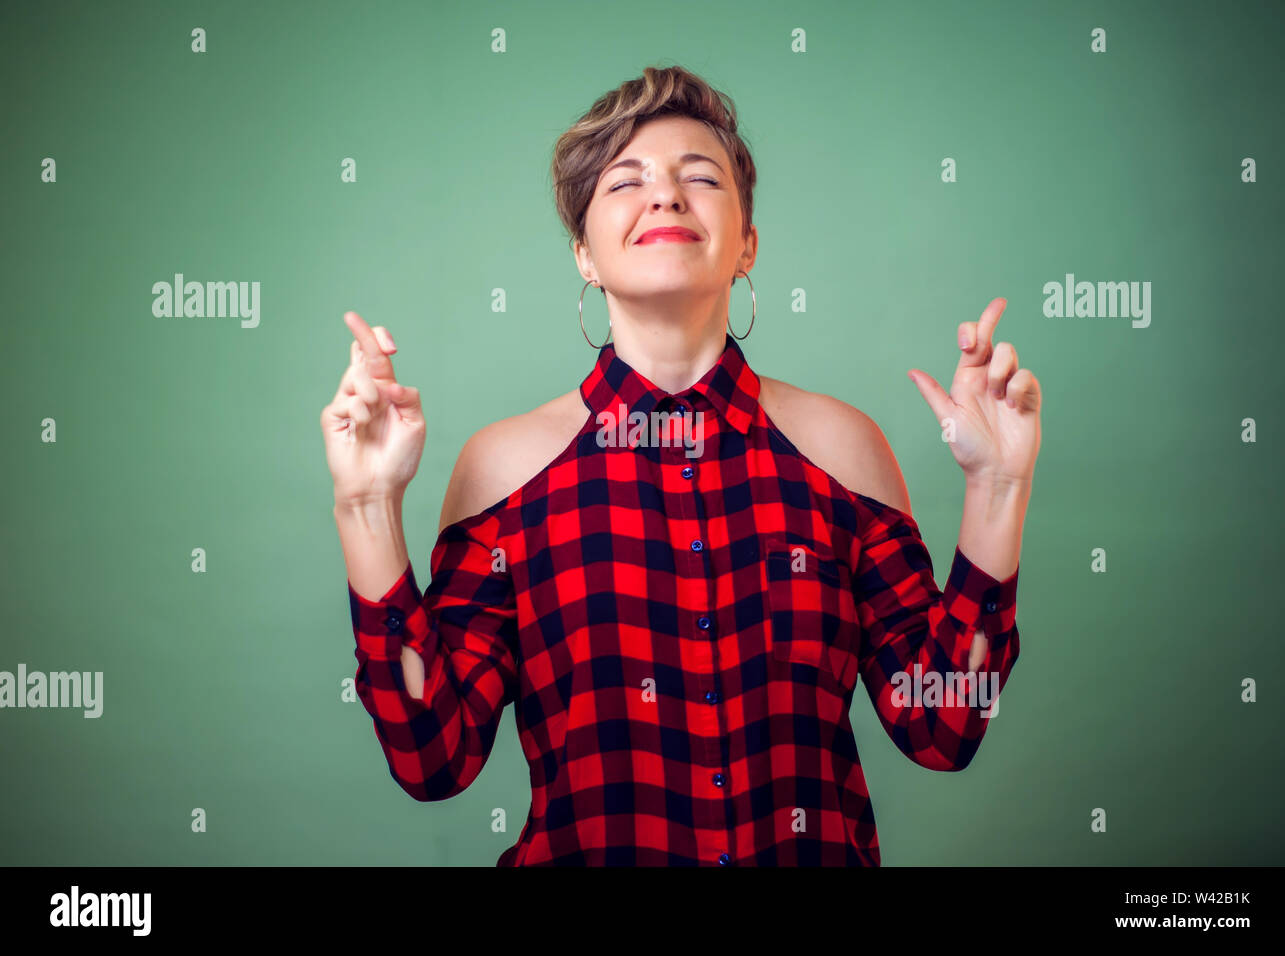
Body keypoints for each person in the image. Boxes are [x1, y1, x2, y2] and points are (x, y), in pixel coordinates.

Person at [321, 65, 1041, 866]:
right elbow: (434, 758)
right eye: (625, 183)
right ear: (584, 256)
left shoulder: (843, 448)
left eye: (700, 177)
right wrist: (366, 505)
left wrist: (998, 487)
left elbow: (943, 728)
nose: (665, 196)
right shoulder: (505, 468)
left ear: (747, 246)